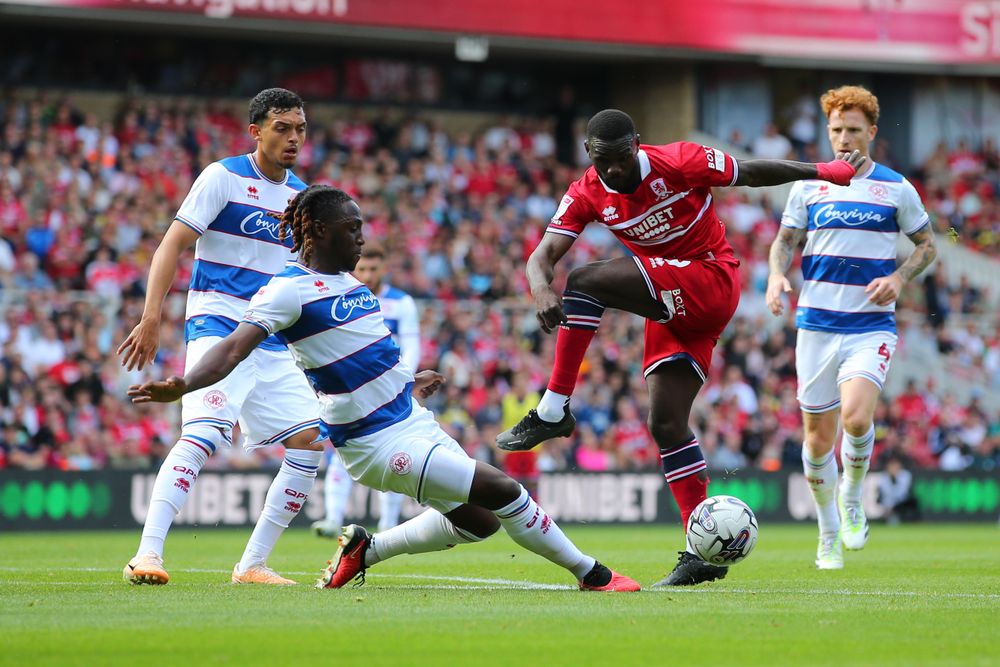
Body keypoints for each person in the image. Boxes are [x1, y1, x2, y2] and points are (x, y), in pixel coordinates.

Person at [128, 185, 640, 593]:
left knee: (480, 522)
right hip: (374, 444)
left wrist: (410, 381)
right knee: (505, 490)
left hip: (410, 418)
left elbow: (361, 357)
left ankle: (364, 551)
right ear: (319, 231)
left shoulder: (352, 285)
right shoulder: (286, 290)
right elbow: (234, 347)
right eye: (352, 231)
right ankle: (592, 574)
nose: (360, 241)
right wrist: (186, 382)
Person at [495, 108, 865, 586]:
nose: (613, 170)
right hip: (669, 302)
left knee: (585, 281)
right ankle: (701, 552)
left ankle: (552, 409)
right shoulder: (587, 189)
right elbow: (542, 254)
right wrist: (540, 289)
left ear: (637, 145)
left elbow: (750, 172)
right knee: (666, 424)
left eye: (621, 158)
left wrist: (823, 171)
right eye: (602, 161)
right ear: (589, 154)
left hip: (710, 278)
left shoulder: (679, 161)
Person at [118, 88, 325, 586]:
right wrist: (151, 317)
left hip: (271, 339)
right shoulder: (221, 176)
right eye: (282, 128)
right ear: (255, 131)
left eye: (299, 129)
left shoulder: (303, 198)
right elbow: (172, 245)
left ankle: (252, 564)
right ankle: (146, 555)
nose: (293, 138)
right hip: (217, 324)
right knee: (206, 434)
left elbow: (298, 280)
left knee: (311, 439)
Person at [766, 85, 936, 569]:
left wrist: (899, 276)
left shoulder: (896, 187)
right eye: (837, 130)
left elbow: (927, 245)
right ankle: (827, 533)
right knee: (818, 441)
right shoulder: (807, 186)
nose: (844, 140)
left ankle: (854, 494)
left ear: (872, 133)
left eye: (854, 131)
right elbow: (785, 241)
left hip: (869, 326)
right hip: (816, 327)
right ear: (828, 131)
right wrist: (778, 275)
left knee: (857, 420)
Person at [312, 243, 419, 537]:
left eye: (374, 269)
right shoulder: (342, 298)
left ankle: (387, 523)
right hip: (351, 387)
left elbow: (412, 347)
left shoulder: (402, 303)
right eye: (363, 269)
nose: (369, 275)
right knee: (341, 448)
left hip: (388, 390)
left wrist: (399, 380)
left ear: (384, 268)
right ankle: (333, 519)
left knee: (394, 451)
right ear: (353, 269)